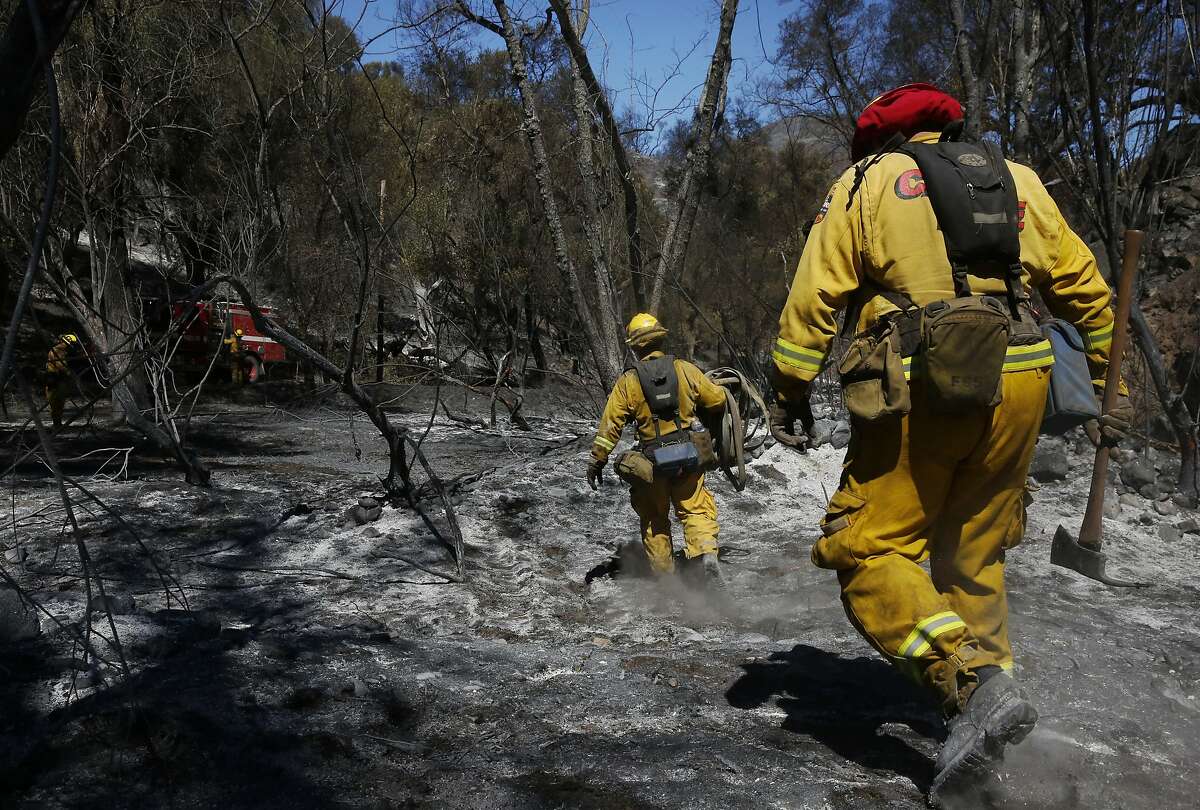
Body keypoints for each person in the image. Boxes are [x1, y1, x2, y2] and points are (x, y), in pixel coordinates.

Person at [767, 83, 1133, 801]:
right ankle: (991, 730)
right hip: (1021, 378)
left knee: (868, 548)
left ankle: (972, 691)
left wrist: (790, 392)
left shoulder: (866, 183)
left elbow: (813, 300)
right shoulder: (1018, 179)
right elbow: (1090, 295)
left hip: (920, 383)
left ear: (877, 139)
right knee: (972, 551)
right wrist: (1108, 391)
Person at [587, 313, 728, 580]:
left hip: (652, 464)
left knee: (654, 518)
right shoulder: (685, 369)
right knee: (696, 509)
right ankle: (706, 554)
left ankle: (665, 579)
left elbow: (610, 426)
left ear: (634, 346)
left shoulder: (628, 382)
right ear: (662, 338)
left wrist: (598, 459)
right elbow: (717, 400)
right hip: (689, 458)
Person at [45, 333, 81, 428]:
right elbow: (61, 366)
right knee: (55, 402)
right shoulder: (57, 351)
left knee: (59, 403)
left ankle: (57, 423)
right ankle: (56, 424)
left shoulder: (62, 351)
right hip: (55, 380)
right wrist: (71, 374)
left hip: (59, 380)